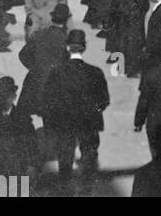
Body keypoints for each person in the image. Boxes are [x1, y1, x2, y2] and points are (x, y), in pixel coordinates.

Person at [41, 29, 110, 179]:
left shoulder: (57, 72)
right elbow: (104, 100)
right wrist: (94, 111)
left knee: (65, 158)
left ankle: (65, 188)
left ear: (67, 47)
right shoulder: (95, 72)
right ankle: (87, 187)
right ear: (84, 47)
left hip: (65, 121)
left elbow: (48, 99)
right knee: (90, 156)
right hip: (88, 121)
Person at [0, 76, 38, 177]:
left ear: (14, 95)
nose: (5, 97)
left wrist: (32, 165)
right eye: (2, 93)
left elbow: (32, 143)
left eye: (8, 93)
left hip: (18, 171)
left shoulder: (23, 118)